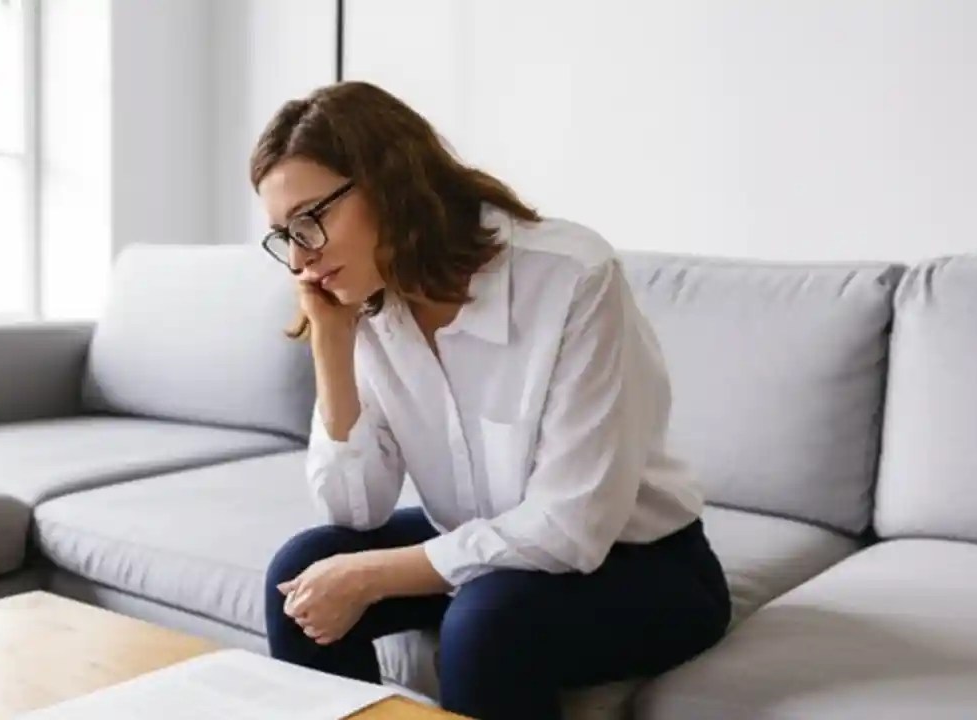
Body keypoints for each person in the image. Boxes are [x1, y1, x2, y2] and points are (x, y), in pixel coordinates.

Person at [252, 81, 731, 720]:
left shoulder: (570, 276)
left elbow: (569, 529)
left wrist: (370, 576)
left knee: (485, 623)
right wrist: (333, 345)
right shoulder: (368, 295)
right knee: (303, 570)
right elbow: (354, 510)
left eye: (312, 219)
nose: (300, 259)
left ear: (389, 184)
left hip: (642, 566)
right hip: (486, 542)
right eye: (285, 234)